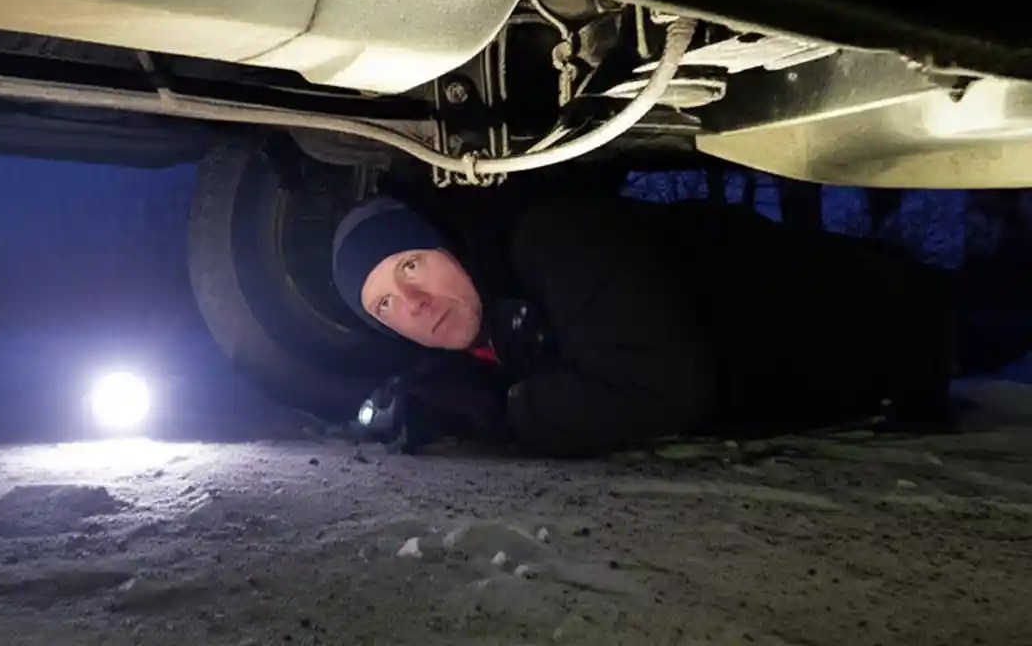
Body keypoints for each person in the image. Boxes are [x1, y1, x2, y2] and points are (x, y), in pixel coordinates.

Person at [331, 192, 1017, 457]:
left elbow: (661, 386)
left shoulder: (554, 232)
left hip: (904, 322)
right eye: (384, 304)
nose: (412, 305)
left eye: (411, 266)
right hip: (862, 369)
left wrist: (501, 414)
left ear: (450, 247)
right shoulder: (486, 314)